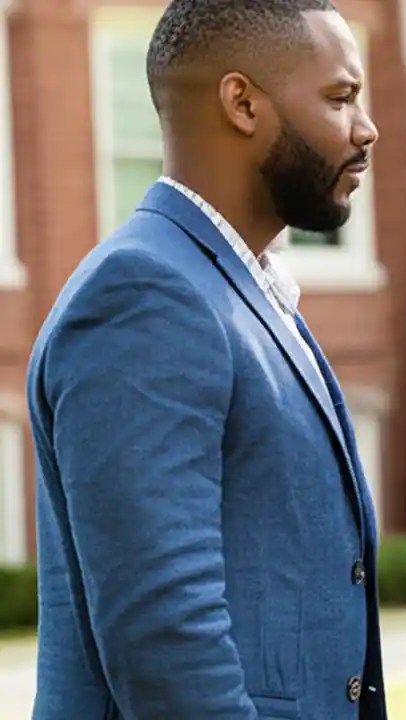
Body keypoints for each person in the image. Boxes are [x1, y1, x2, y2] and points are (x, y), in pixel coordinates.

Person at [26, 1, 386, 717]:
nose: (365, 127)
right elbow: (166, 642)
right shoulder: (145, 294)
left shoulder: (238, 287)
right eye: (340, 97)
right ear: (242, 103)